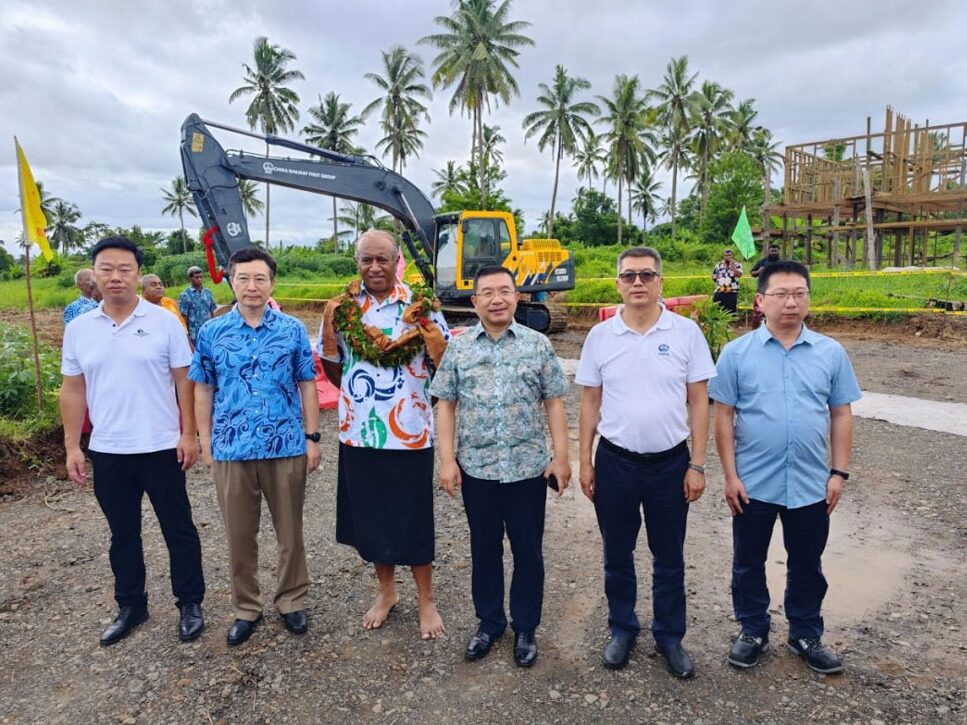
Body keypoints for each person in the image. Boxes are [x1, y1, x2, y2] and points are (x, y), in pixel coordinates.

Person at [709, 260, 861, 674]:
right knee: (747, 561)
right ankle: (752, 629)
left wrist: (839, 472)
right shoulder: (737, 353)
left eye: (799, 294)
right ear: (760, 301)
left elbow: (841, 414)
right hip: (753, 483)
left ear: (809, 299)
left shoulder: (830, 352)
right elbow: (723, 415)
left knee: (808, 562)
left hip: (812, 483)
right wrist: (730, 475)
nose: (791, 302)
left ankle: (806, 632)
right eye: (781, 294)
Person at [576, 246, 716, 678]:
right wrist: (585, 460)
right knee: (617, 553)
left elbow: (698, 401)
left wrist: (697, 463)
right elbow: (590, 401)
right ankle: (622, 628)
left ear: (661, 282)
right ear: (618, 283)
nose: (638, 282)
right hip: (615, 462)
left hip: (671, 465)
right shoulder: (601, 337)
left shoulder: (686, 333)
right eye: (629, 275)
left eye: (647, 275)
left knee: (668, 556)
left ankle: (670, 637)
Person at [59, 236, 205, 646]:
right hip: (108, 450)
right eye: (106, 269)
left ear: (138, 275)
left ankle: (190, 603)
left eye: (125, 269)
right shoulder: (79, 329)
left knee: (179, 529)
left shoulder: (164, 322)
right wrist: (73, 446)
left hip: (161, 446)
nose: (116, 277)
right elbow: (73, 389)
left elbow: (184, 381)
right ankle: (131, 605)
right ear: (94, 274)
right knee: (122, 533)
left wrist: (188, 433)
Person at [431, 265, 571, 667]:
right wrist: (446, 461)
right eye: (487, 292)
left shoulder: (537, 345)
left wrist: (561, 459)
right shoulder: (459, 348)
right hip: (477, 469)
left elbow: (555, 403)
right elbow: (446, 405)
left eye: (505, 291)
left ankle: (526, 627)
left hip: (528, 469)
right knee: (484, 548)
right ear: (474, 302)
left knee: (528, 552)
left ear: (516, 297)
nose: (497, 299)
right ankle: (489, 622)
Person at [320, 229, 450, 640]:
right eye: (365, 260)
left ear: (397, 262)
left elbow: (442, 363)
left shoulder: (422, 307)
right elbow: (332, 365)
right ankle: (387, 592)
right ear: (356, 263)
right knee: (372, 520)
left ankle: (426, 600)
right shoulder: (341, 309)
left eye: (382, 260)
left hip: (410, 433)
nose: (374, 267)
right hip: (359, 433)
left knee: (413, 521)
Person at [190, 247, 320, 646]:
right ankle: (246, 607)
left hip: (285, 445)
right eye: (243, 278)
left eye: (260, 278)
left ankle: (291, 599)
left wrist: (312, 437)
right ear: (231, 280)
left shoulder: (292, 330)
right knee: (239, 536)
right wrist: (205, 441)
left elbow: (308, 383)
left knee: (290, 531)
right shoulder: (212, 332)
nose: (251, 286)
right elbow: (203, 387)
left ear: (272, 283)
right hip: (231, 449)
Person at [178, 265, 217, 346]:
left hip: (209, 330)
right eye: (196, 277)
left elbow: (212, 311)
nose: (199, 279)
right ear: (190, 278)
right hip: (195, 334)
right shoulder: (185, 295)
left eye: (201, 277)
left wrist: (215, 326)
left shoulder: (207, 292)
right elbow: (183, 316)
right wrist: (186, 335)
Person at [749, 244, 782, 327]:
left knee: (778, 313)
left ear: (778, 251)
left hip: (777, 292)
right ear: (768, 251)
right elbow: (752, 273)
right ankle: (754, 332)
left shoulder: (782, 263)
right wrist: (758, 272)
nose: (774, 252)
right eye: (772, 251)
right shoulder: (762, 262)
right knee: (757, 313)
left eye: (775, 250)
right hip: (762, 291)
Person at [711, 249, 743, 314]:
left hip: (732, 292)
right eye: (726, 255)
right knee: (717, 313)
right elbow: (714, 277)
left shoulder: (737, 265)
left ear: (732, 256)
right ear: (723, 256)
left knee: (731, 314)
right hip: (720, 292)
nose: (728, 257)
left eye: (729, 255)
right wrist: (720, 281)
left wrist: (733, 268)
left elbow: (739, 275)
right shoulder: (718, 265)